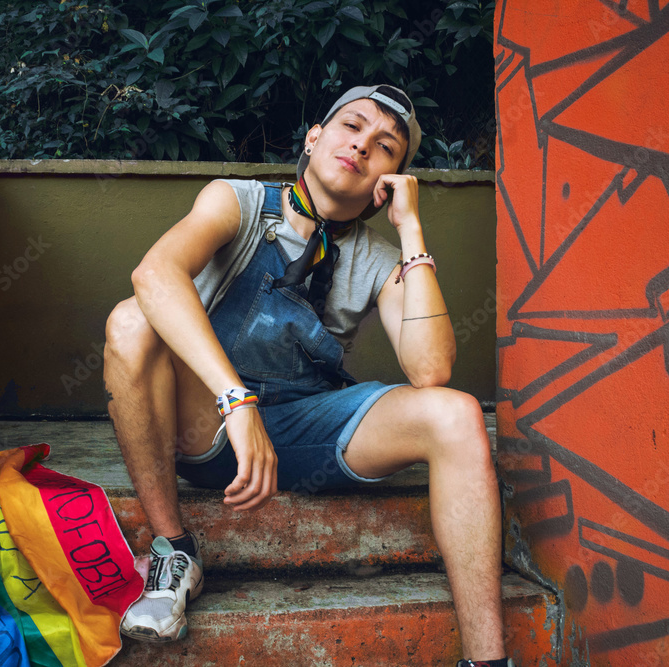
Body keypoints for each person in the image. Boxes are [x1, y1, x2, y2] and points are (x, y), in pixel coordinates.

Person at [103, 84, 513, 667]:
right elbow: (155, 273)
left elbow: (430, 369)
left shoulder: (377, 256)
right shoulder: (236, 201)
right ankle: (176, 550)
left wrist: (411, 231)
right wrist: (236, 401)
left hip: (307, 427)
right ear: (314, 137)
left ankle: (487, 660)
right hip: (210, 424)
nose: (362, 144)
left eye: (385, 145)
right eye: (352, 125)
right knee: (130, 321)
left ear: (388, 182)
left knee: (457, 412)